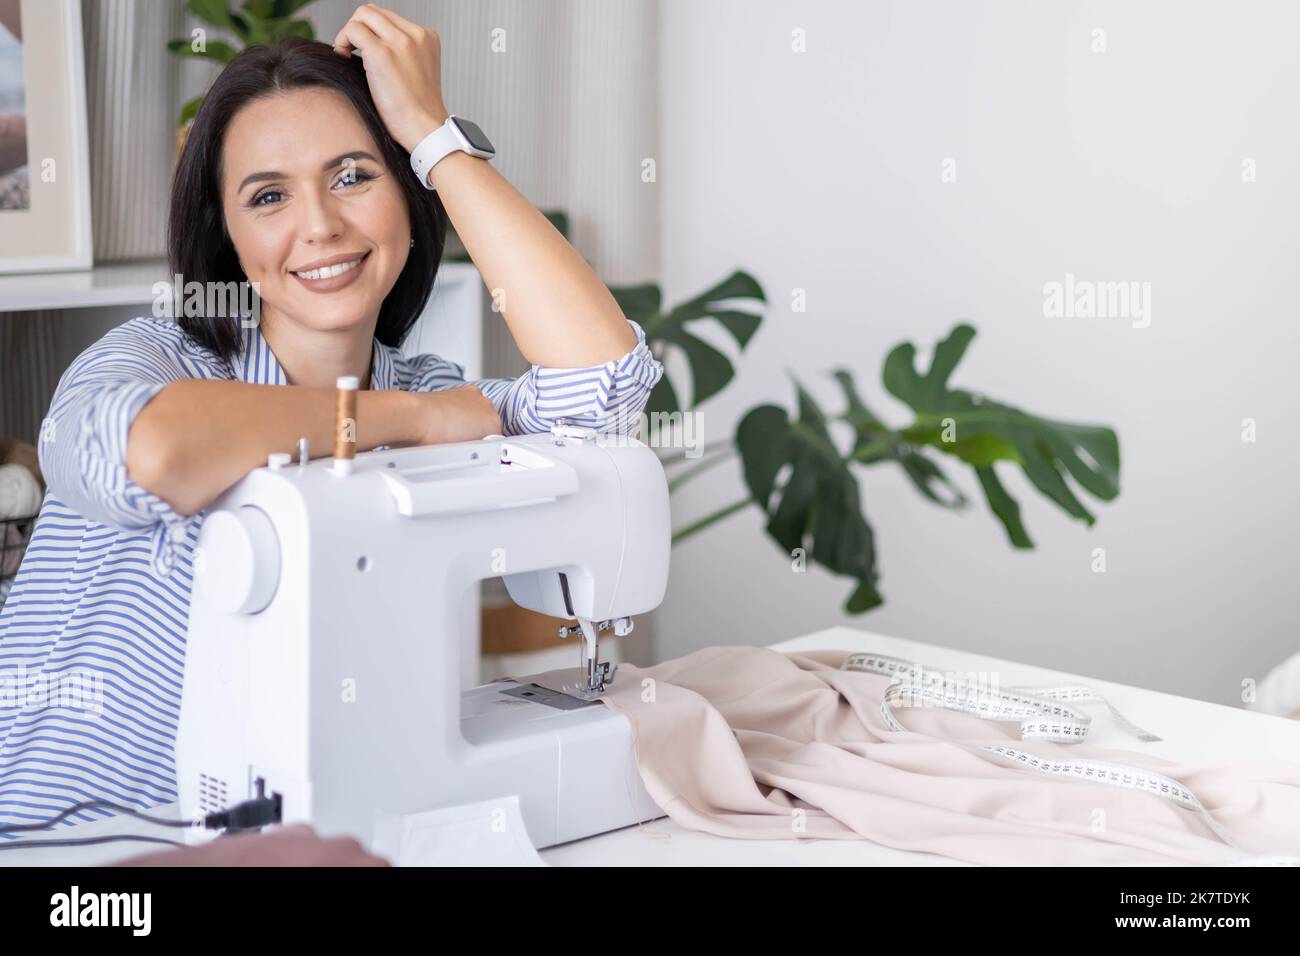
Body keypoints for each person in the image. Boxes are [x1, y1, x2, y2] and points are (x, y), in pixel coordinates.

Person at [0, 2, 664, 842]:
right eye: (268, 196)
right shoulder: (155, 363)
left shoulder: (427, 391)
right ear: (229, 237)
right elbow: (155, 450)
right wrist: (414, 421)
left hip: (268, 840)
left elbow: (603, 386)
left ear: (407, 194)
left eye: (354, 174)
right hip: (55, 839)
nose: (319, 226)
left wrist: (433, 134)